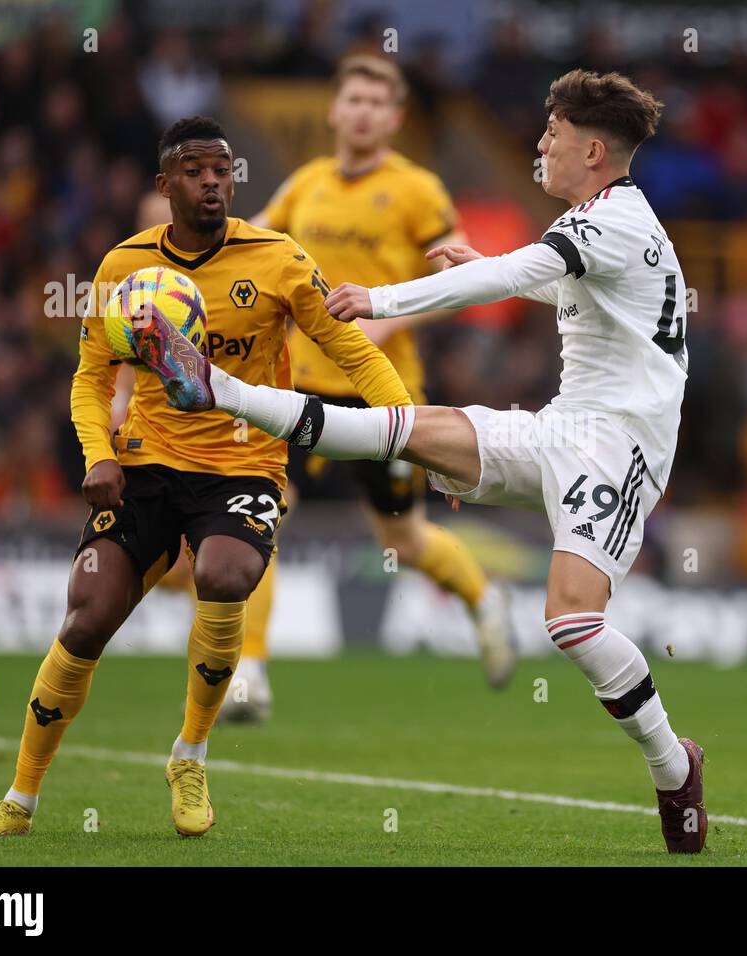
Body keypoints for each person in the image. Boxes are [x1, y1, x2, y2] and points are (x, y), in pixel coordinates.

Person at [132, 71, 707, 853]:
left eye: (553, 135)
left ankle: (674, 767)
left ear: (594, 150)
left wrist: (382, 299)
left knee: (571, 620)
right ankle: (219, 390)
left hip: (621, 448)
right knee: (399, 429)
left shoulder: (611, 222)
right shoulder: (603, 223)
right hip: (561, 427)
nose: (540, 145)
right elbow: (581, 293)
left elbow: (506, 278)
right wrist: (493, 261)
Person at [0, 116, 410, 838]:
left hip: (244, 464)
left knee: (227, 575)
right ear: (165, 184)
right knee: (87, 617)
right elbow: (89, 378)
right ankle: (20, 799)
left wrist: (410, 434)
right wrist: (97, 454)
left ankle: (190, 754)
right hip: (144, 465)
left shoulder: (280, 260)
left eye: (222, 170)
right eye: (196, 172)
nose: (213, 183)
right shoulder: (123, 269)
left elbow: (353, 352)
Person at [223, 54, 514, 719]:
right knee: (261, 515)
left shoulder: (418, 191)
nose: (361, 112)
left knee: (402, 542)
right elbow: (252, 249)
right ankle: (252, 673)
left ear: (395, 118)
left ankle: (482, 597)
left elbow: (462, 279)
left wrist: (389, 318)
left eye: (375, 103)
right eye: (352, 99)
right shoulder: (305, 186)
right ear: (333, 109)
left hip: (380, 390)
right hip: (297, 388)